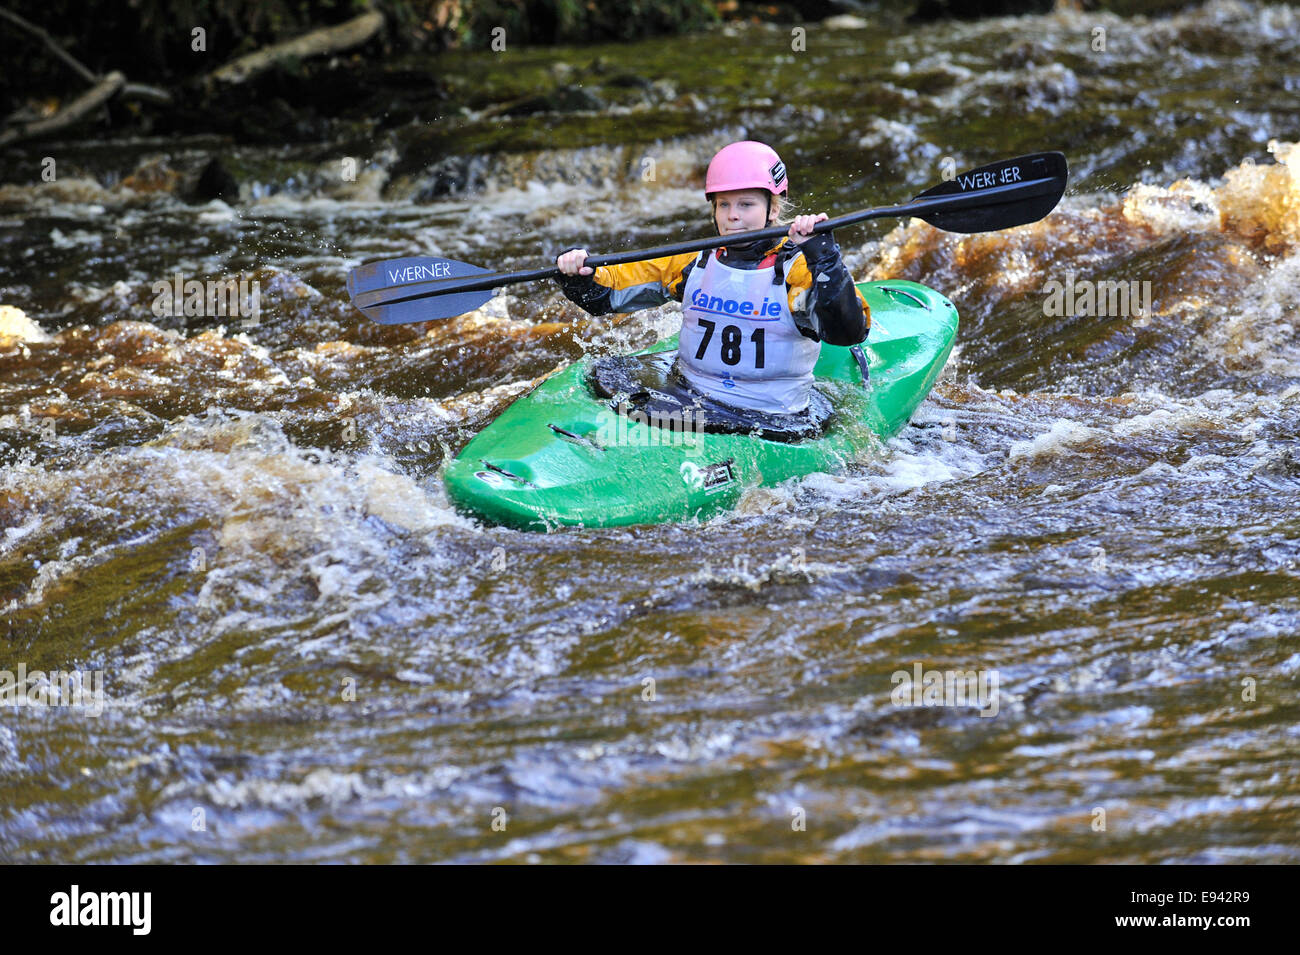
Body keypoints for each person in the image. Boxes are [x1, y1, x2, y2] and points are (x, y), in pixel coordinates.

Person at [555, 140, 869, 415]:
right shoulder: (696, 261)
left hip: (769, 412)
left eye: (746, 204)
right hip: (692, 397)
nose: (733, 215)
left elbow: (846, 330)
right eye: (724, 205)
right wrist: (580, 274)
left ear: (773, 208)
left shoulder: (799, 268)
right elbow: (605, 296)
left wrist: (825, 259)